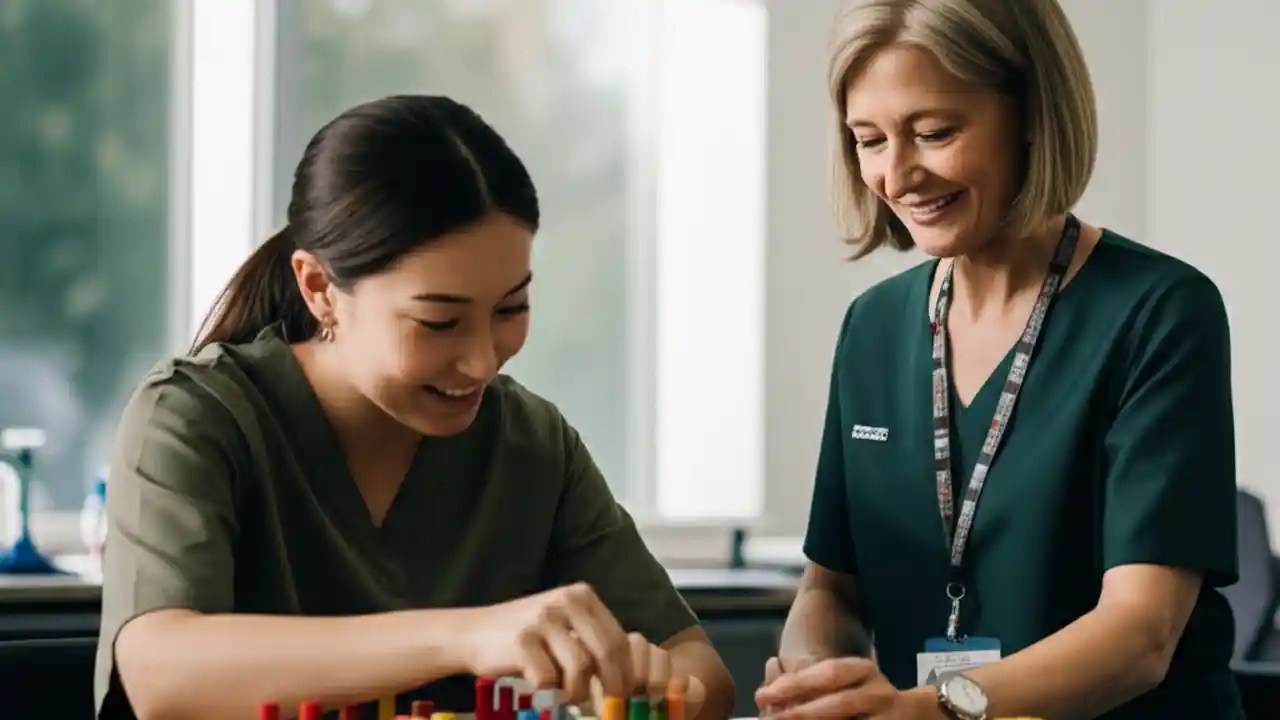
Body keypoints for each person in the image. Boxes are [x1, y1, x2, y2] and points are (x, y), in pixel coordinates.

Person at [94, 94, 735, 720]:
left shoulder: (531, 443)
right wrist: (465, 638)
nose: (484, 361)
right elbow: (161, 672)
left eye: (511, 309)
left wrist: (652, 684)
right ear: (319, 288)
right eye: (438, 322)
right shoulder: (193, 417)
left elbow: (699, 670)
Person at [754, 1, 1242, 719]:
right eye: (868, 140)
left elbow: (1140, 636)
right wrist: (817, 677)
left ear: (1031, 116)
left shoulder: (1160, 311)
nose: (897, 175)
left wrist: (929, 709)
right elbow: (831, 589)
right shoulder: (875, 326)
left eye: (934, 132)